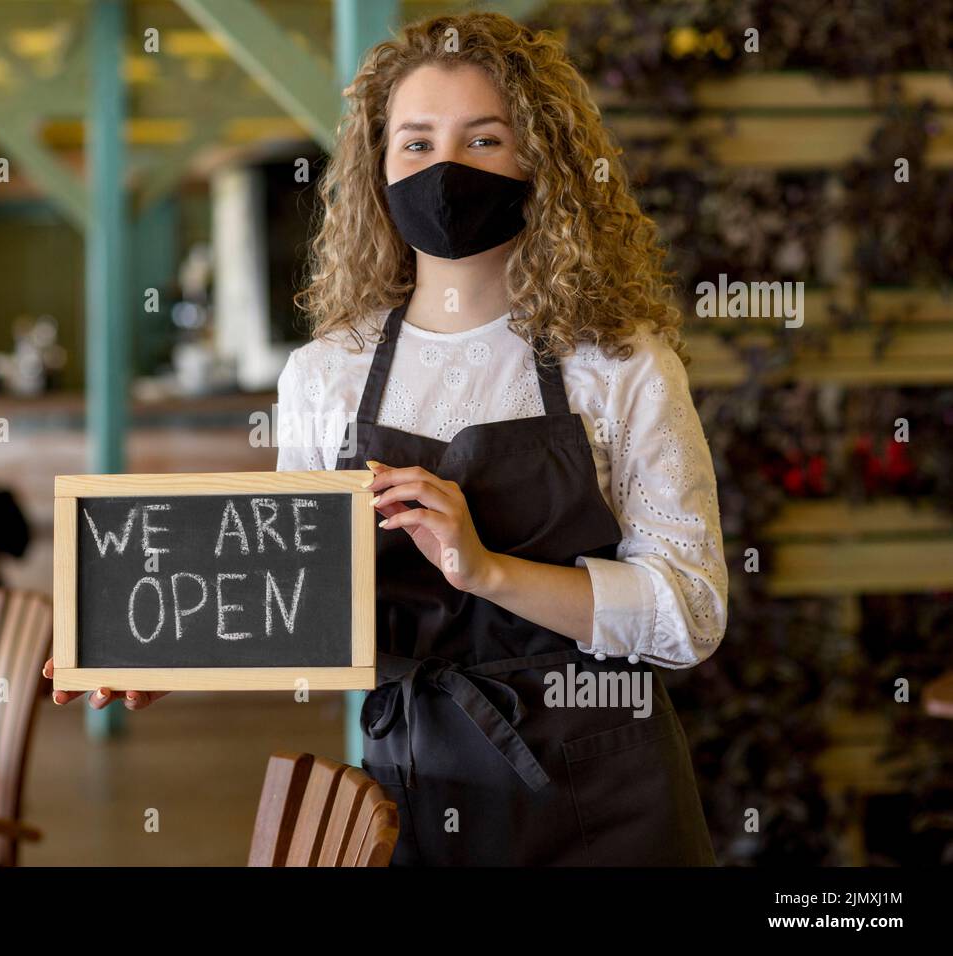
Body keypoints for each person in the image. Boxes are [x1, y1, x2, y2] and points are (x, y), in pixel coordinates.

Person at [47, 11, 727, 866]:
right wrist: (169, 655)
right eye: (416, 143)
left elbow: (689, 613)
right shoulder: (327, 376)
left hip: (606, 793)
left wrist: (486, 571)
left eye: (483, 140)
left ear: (540, 160)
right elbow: (302, 604)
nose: (446, 169)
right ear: (377, 169)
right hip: (415, 780)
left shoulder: (620, 364)